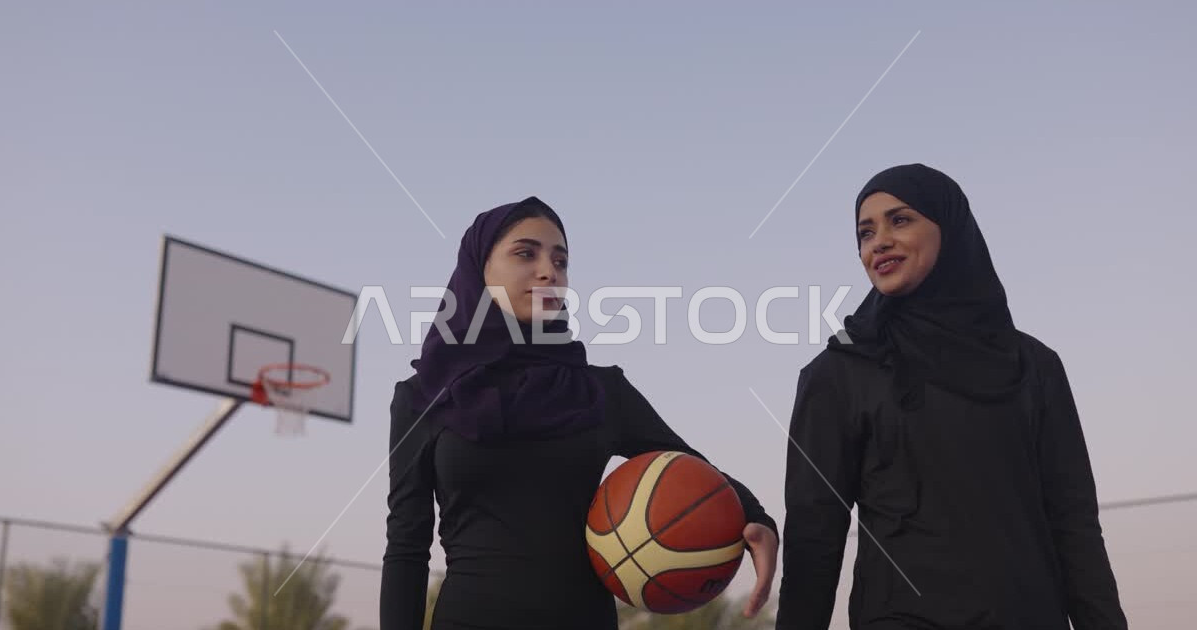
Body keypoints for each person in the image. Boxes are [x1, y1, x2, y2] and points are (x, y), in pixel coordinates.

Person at [380, 196, 779, 630]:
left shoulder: (601, 390)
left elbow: (691, 469)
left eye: (561, 260)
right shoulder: (424, 396)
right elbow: (406, 547)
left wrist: (757, 516)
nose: (550, 271)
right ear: (479, 270)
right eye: (525, 253)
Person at [775, 164, 1128, 629]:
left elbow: (1074, 526)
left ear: (951, 229)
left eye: (899, 220)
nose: (877, 241)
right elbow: (813, 540)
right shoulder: (839, 374)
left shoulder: (1034, 367)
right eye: (865, 232)